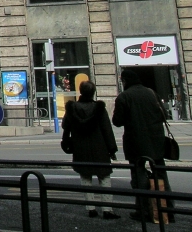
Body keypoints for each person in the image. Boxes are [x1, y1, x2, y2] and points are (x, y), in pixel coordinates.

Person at [112, 68, 173, 222]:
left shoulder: (124, 96)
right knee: (161, 175)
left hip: (135, 142)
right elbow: (164, 115)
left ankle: (144, 210)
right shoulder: (151, 93)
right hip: (156, 140)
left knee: (139, 177)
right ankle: (167, 210)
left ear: (125, 81)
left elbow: (117, 121)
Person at [61, 81, 119, 220]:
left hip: (80, 147)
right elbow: (107, 130)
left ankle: (91, 208)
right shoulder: (99, 108)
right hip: (100, 147)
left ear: (80, 91)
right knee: (104, 177)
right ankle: (107, 209)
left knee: (85, 177)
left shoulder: (72, 108)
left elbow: (65, 126)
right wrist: (112, 149)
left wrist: (66, 143)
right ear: (93, 92)